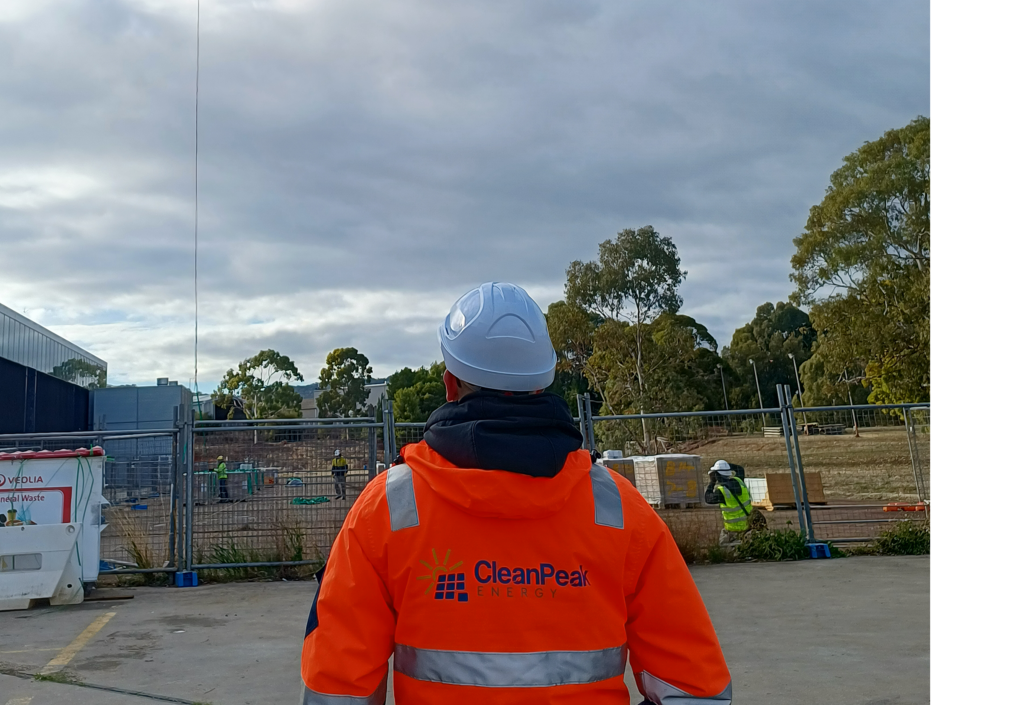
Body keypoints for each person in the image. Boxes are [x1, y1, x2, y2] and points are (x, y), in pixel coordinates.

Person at [300, 282, 732, 704]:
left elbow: (337, 690)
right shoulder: (618, 508)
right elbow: (696, 689)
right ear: (541, 385)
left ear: (450, 385)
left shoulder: (386, 509)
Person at [705, 460, 753, 547]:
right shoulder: (739, 481)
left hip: (732, 531)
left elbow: (707, 498)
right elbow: (739, 469)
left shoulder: (721, 492)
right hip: (748, 526)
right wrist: (726, 466)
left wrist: (712, 482)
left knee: (724, 548)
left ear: (717, 475)